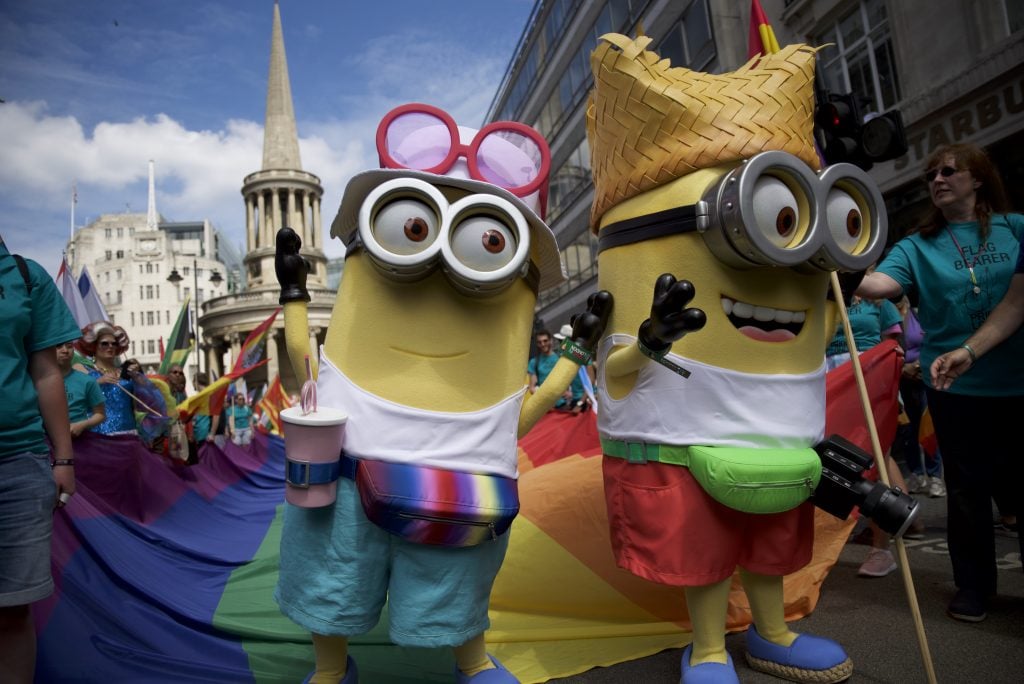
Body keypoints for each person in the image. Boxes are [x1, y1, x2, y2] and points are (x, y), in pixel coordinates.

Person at [856, 142, 1024, 622]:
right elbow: (875, 287)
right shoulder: (916, 246)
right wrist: (836, 254)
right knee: (967, 490)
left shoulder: (1017, 230)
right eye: (931, 174)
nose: (938, 180)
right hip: (956, 388)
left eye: (950, 171)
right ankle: (973, 588)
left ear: (977, 178)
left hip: (1019, 381)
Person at [0, 237, 81, 683]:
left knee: (11, 611)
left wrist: (63, 459)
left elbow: (46, 371)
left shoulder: (25, 276)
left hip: (18, 461)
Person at [825, 293, 921, 577]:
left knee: (879, 460)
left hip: (871, 379)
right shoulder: (824, 291)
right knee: (835, 462)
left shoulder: (879, 300)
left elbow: (894, 344)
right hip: (831, 381)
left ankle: (881, 549)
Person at [893, 300, 944, 497]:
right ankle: (916, 474)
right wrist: (903, 368)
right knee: (908, 429)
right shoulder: (888, 317)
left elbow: (933, 342)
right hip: (901, 378)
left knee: (928, 425)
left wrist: (918, 365)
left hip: (924, 375)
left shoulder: (919, 314)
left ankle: (935, 478)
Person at [75, 322, 137, 436]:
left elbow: (141, 404)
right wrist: (97, 382)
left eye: (114, 344)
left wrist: (139, 380)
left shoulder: (125, 372)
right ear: (94, 346)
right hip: (98, 437)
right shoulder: (82, 370)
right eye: (104, 344)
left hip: (128, 435)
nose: (110, 347)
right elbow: (74, 399)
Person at [56, 341, 105, 438]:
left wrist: (82, 425)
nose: (65, 350)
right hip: (46, 444)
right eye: (58, 346)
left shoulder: (88, 381)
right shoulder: (38, 382)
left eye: (69, 346)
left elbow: (100, 414)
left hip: (81, 442)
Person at [527, 330, 574, 409]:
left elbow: (573, 378)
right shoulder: (533, 362)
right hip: (544, 408)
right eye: (539, 342)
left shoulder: (561, 358)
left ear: (551, 341)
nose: (543, 344)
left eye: (545, 341)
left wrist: (571, 393)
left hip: (564, 405)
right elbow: (532, 388)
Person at [190, 372, 220, 445]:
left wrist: (212, 433)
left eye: (193, 381)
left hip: (206, 436)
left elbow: (216, 415)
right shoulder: (198, 397)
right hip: (198, 436)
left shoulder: (210, 395)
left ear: (196, 382)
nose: (192, 384)